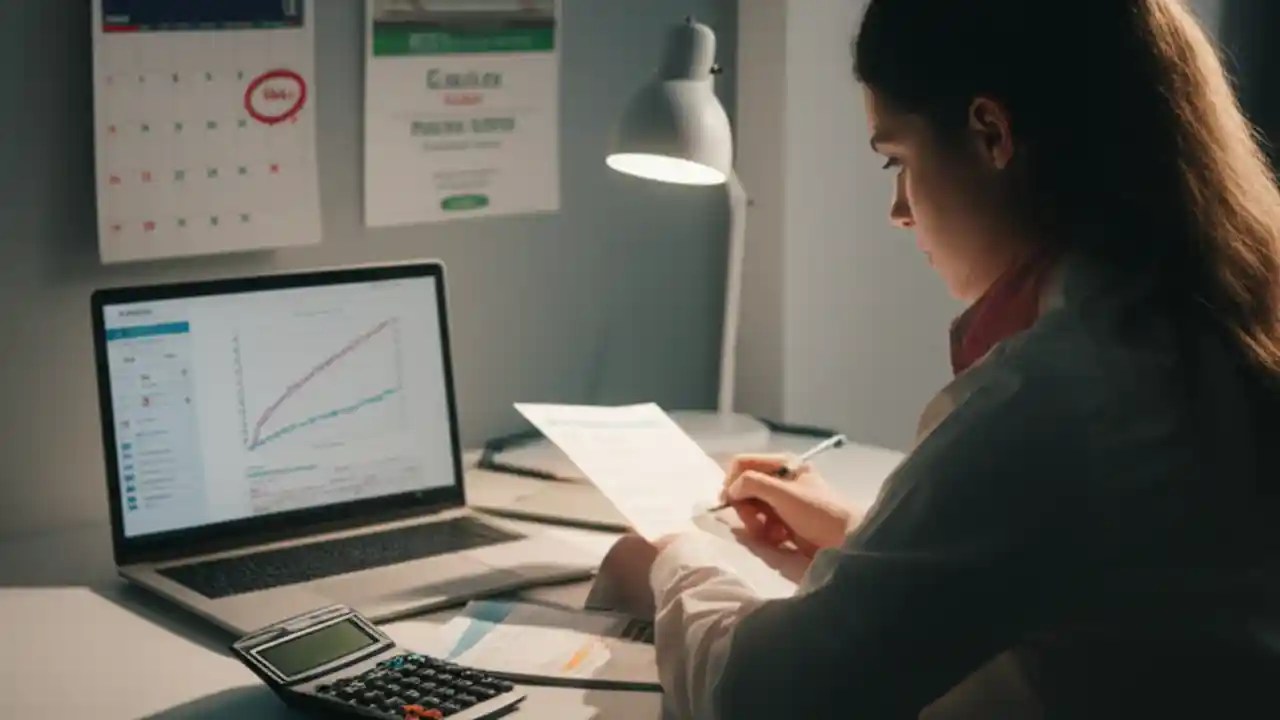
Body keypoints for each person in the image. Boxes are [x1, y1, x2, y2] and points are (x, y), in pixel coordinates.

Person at [593, 0, 1280, 717]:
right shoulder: (1206, 339)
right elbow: (1084, 577)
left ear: (990, 133)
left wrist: (676, 560)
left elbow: (770, 698)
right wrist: (866, 535)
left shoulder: (1055, 399)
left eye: (898, 159)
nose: (899, 209)